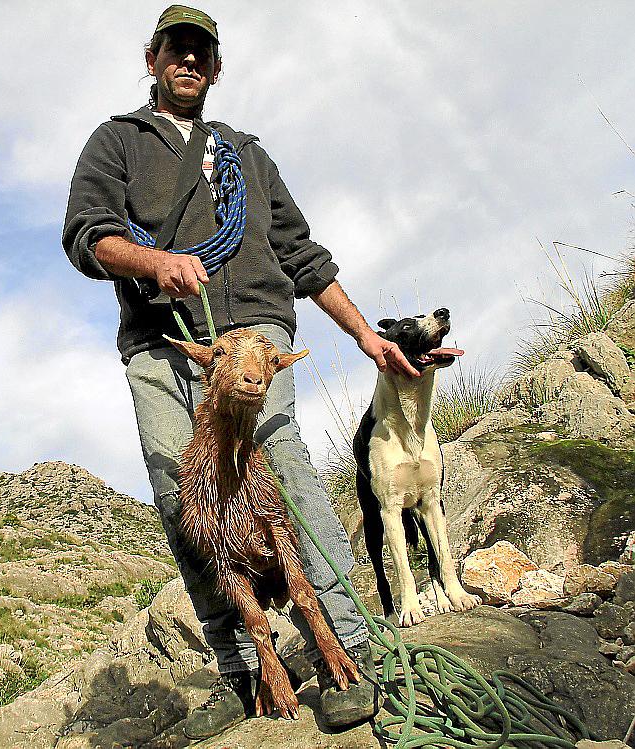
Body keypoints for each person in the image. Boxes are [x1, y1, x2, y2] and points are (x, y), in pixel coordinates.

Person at [62, 5, 418, 740]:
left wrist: (362, 335)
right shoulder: (116, 141)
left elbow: (301, 255)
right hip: (164, 342)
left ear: (216, 68)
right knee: (181, 496)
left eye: (201, 52)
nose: (187, 61)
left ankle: (348, 645)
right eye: (174, 49)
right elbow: (87, 234)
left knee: (283, 466)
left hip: (256, 329)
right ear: (153, 58)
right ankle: (246, 671)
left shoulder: (247, 153)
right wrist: (154, 261)